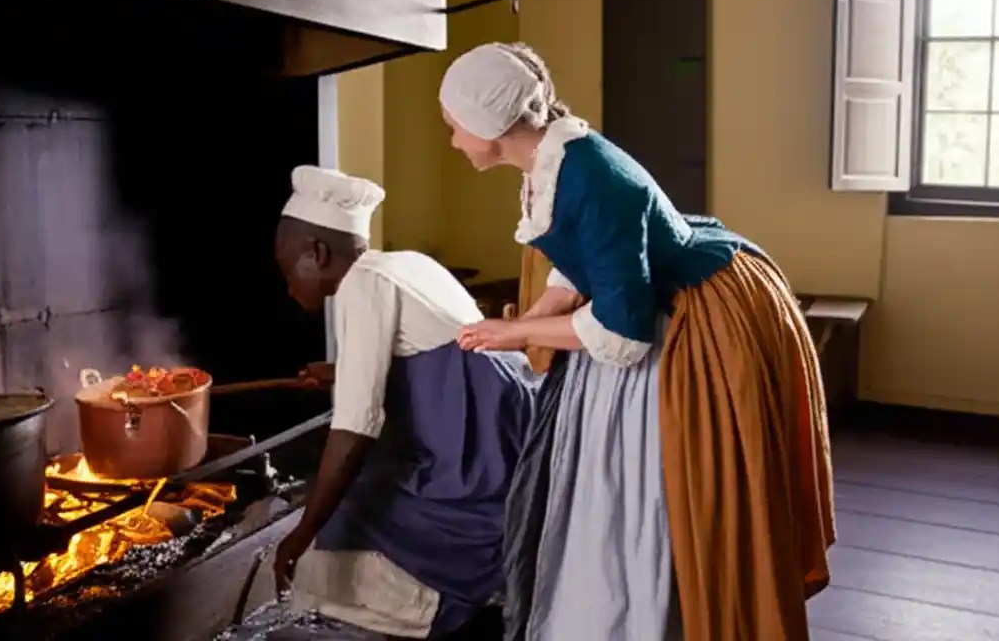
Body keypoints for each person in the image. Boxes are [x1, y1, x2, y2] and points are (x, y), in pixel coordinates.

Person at [442, 42, 836, 641]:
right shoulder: (555, 157)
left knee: (641, 500)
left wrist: (517, 330)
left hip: (680, 331)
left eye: (454, 127)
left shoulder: (588, 176)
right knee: (593, 493)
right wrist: (534, 316)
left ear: (490, 126)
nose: (452, 141)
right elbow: (587, 258)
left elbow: (623, 334)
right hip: (641, 306)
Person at [269, 165, 539, 639]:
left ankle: (441, 607)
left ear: (317, 251)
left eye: (288, 271)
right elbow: (429, 353)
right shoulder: (403, 263)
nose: (289, 286)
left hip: (479, 470)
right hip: (511, 438)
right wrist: (338, 371)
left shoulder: (362, 286)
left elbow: (355, 427)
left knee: (343, 520)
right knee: (360, 490)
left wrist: (300, 534)